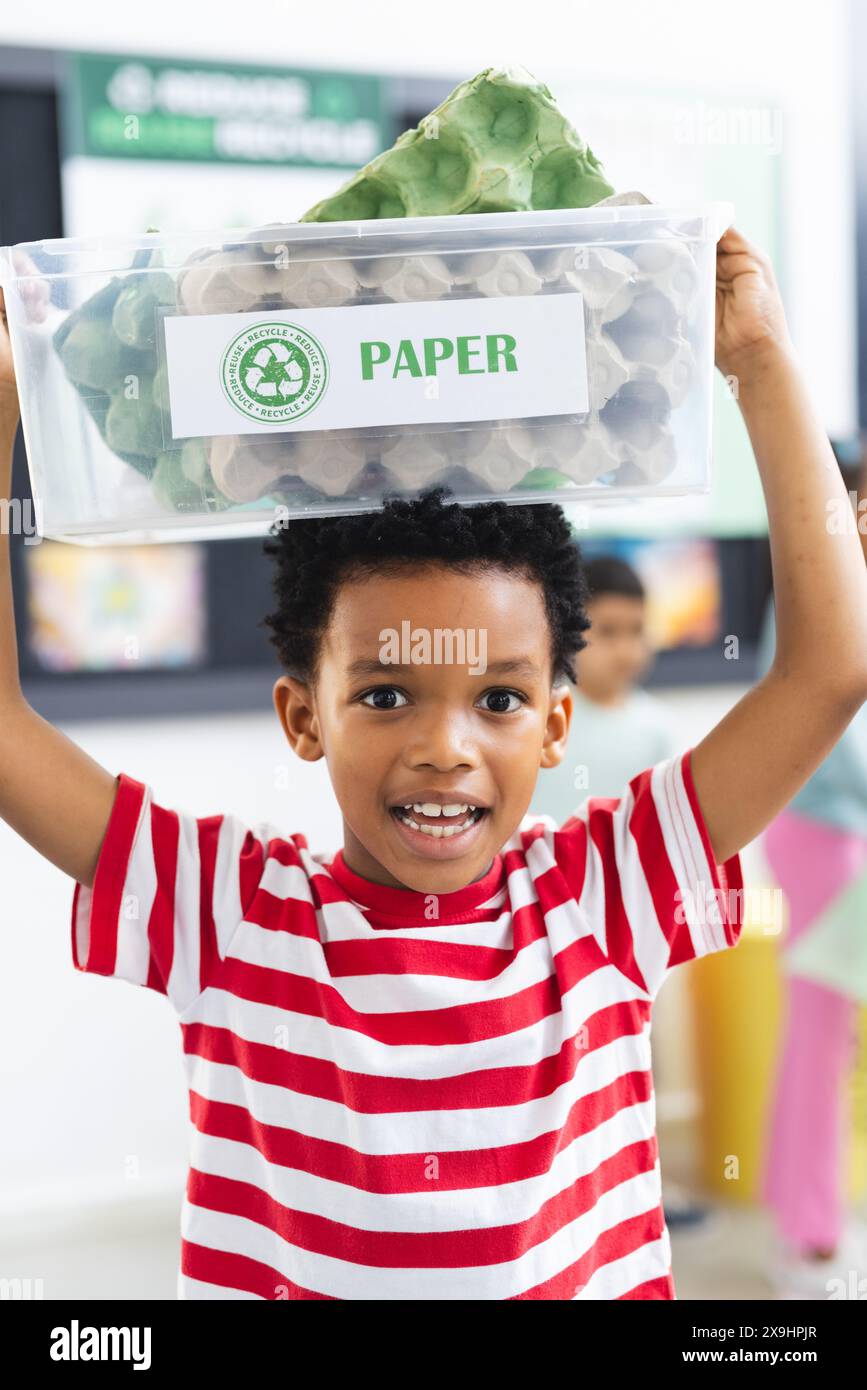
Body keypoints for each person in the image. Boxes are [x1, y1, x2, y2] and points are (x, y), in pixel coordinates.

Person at [2, 227, 867, 1301]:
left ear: (553, 726)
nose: (444, 747)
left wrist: (765, 366)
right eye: (384, 693)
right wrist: (7, 398)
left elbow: (830, 668)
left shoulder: (605, 891)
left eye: (498, 699)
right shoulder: (227, 908)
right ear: (303, 714)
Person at [755, 443, 867, 1298]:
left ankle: (811, 1222)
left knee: (828, 1035)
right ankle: (807, 1237)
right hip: (825, 829)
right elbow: (814, 723)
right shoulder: (818, 585)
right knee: (822, 1032)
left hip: (837, 828)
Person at [529, 553, 674, 821]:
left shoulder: (657, 729)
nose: (626, 651)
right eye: (608, 631)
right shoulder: (540, 715)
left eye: (637, 630)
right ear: (569, 632)